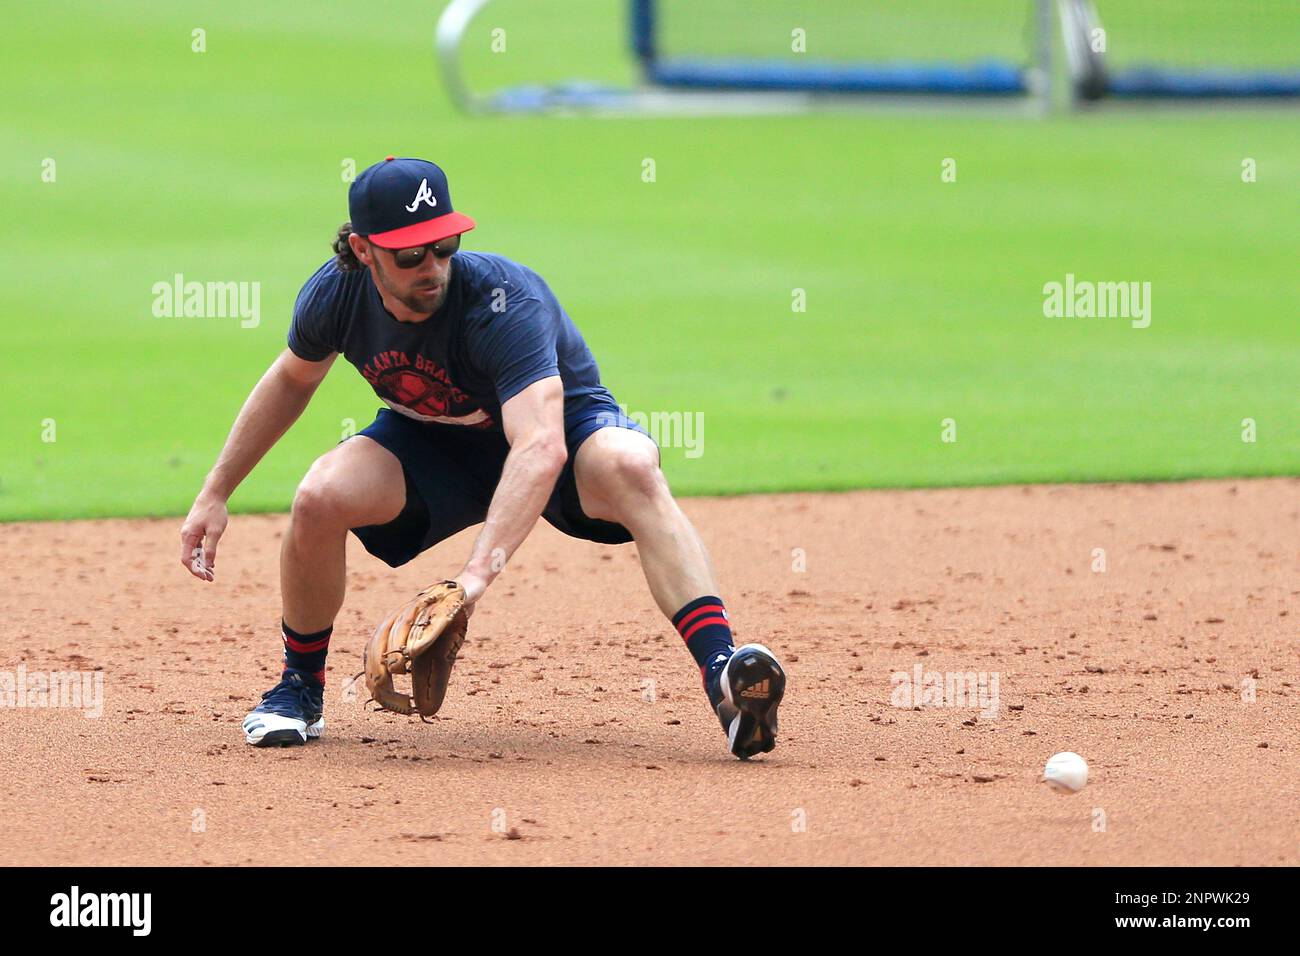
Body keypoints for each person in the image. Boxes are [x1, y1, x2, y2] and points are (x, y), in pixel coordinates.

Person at [179, 156, 785, 759]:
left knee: (629, 462)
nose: (432, 267)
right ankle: (300, 688)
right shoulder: (336, 295)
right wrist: (216, 490)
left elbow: (541, 446)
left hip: (561, 436)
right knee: (319, 496)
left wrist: (471, 581)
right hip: (433, 446)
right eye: (409, 254)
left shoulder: (501, 300)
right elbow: (292, 380)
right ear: (363, 251)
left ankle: (724, 676)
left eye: (443, 245)